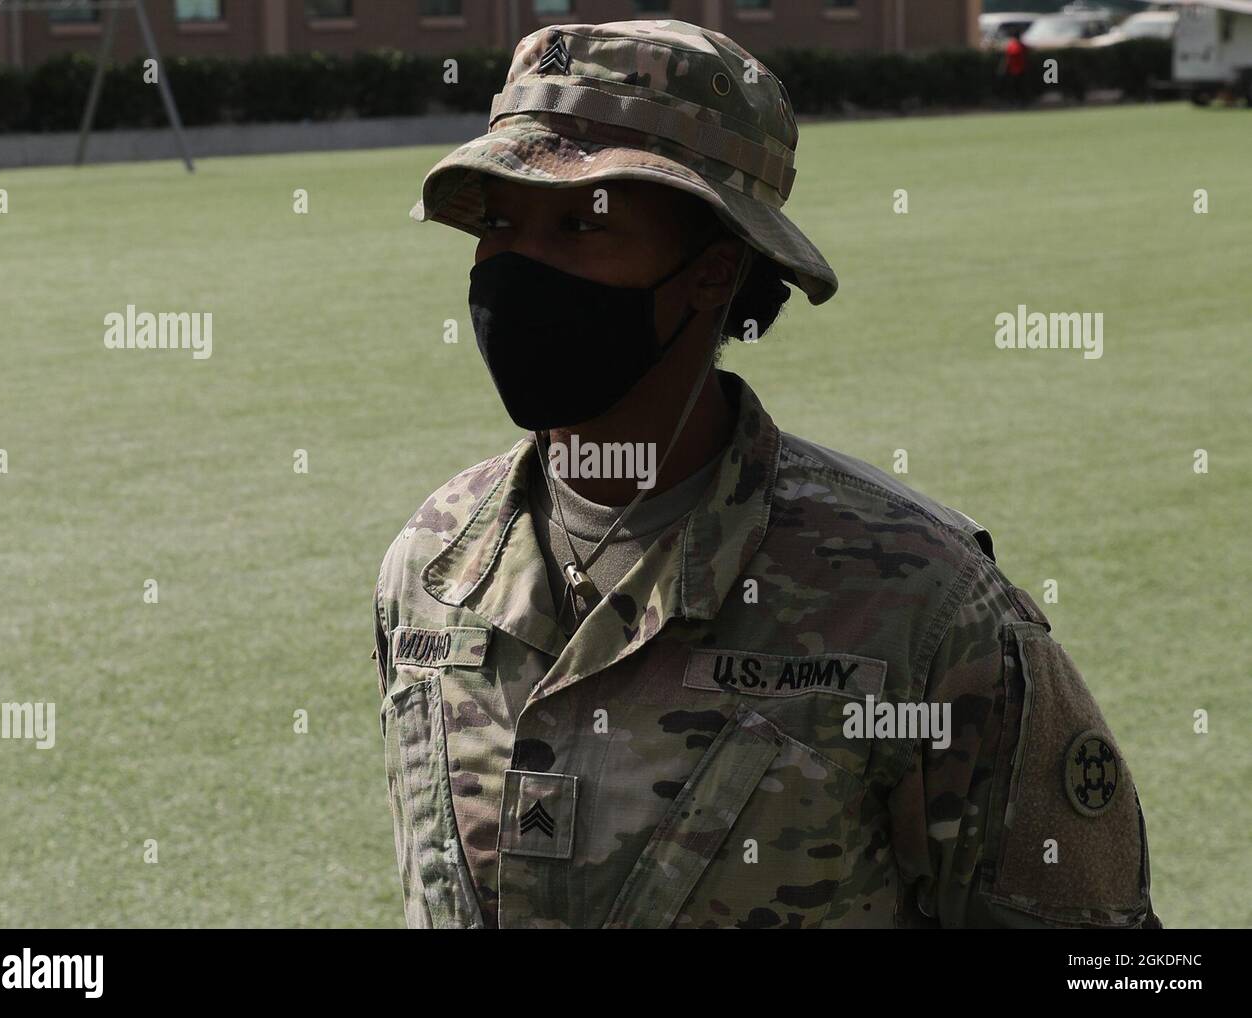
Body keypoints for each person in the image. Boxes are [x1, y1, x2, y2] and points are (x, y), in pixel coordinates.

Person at [374, 19, 1160, 929]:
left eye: (581, 223)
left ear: (713, 270)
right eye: (500, 221)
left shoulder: (915, 605)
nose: (517, 268)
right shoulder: (430, 569)